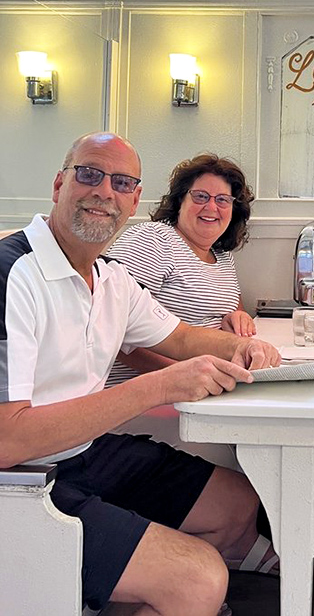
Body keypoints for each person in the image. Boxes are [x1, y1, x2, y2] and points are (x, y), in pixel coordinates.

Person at [0, 132, 281, 616]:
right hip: (19, 482)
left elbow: (181, 337)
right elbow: (7, 440)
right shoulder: (12, 274)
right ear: (58, 184)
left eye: (122, 182)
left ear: (133, 201)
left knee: (237, 501)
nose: (103, 191)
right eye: (89, 173)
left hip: (84, 452)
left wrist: (242, 344)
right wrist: (162, 384)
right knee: (200, 580)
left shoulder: (110, 277)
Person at [107, 153, 257, 387]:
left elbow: (234, 308)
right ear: (179, 201)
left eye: (222, 200)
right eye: (200, 196)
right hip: (145, 390)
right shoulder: (153, 239)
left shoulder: (223, 256)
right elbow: (110, 331)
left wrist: (238, 317)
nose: (211, 207)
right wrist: (183, 373)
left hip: (208, 384)